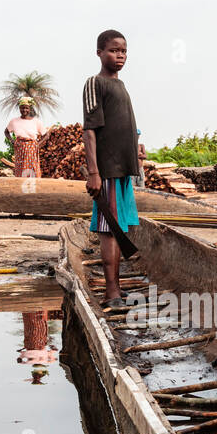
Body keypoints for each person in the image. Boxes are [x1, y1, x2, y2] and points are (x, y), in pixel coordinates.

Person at [82, 28, 141, 306]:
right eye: (114, 50)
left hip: (124, 170)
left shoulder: (122, 85)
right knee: (109, 230)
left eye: (124, 51)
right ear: (99, 53)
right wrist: (94, 172)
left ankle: (116, 287)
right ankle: (111, 291)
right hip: (108, 170)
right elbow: (90, 131)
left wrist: (136, 145)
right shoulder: (95, 83)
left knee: (120, 229)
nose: (120, 55)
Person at [4, 99, 48, 179]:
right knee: (20, 167)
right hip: (19, 147)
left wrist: (38, 144)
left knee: (32, 167)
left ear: (30, 109)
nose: (24, 110)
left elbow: (46, 135)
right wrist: (12, 141)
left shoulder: (36, 121)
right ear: (19, 108)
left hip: (31, 147)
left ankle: (33, 187)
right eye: (22, 108)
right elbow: (6, 132)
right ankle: (20, 187)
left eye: (26, 108)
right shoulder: (14, 121)